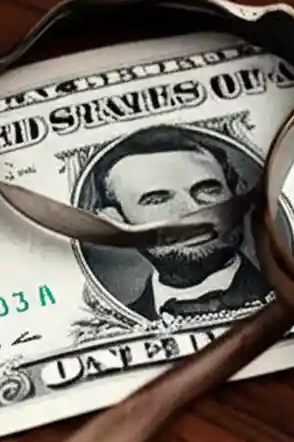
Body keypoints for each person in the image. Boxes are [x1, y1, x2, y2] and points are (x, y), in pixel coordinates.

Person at [89, 126, 270, 321]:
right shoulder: (119, 323)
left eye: (208, 190)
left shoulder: (288, 291)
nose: (192, 210)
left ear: (237, 192)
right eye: (156, 200)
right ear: (114, 221)